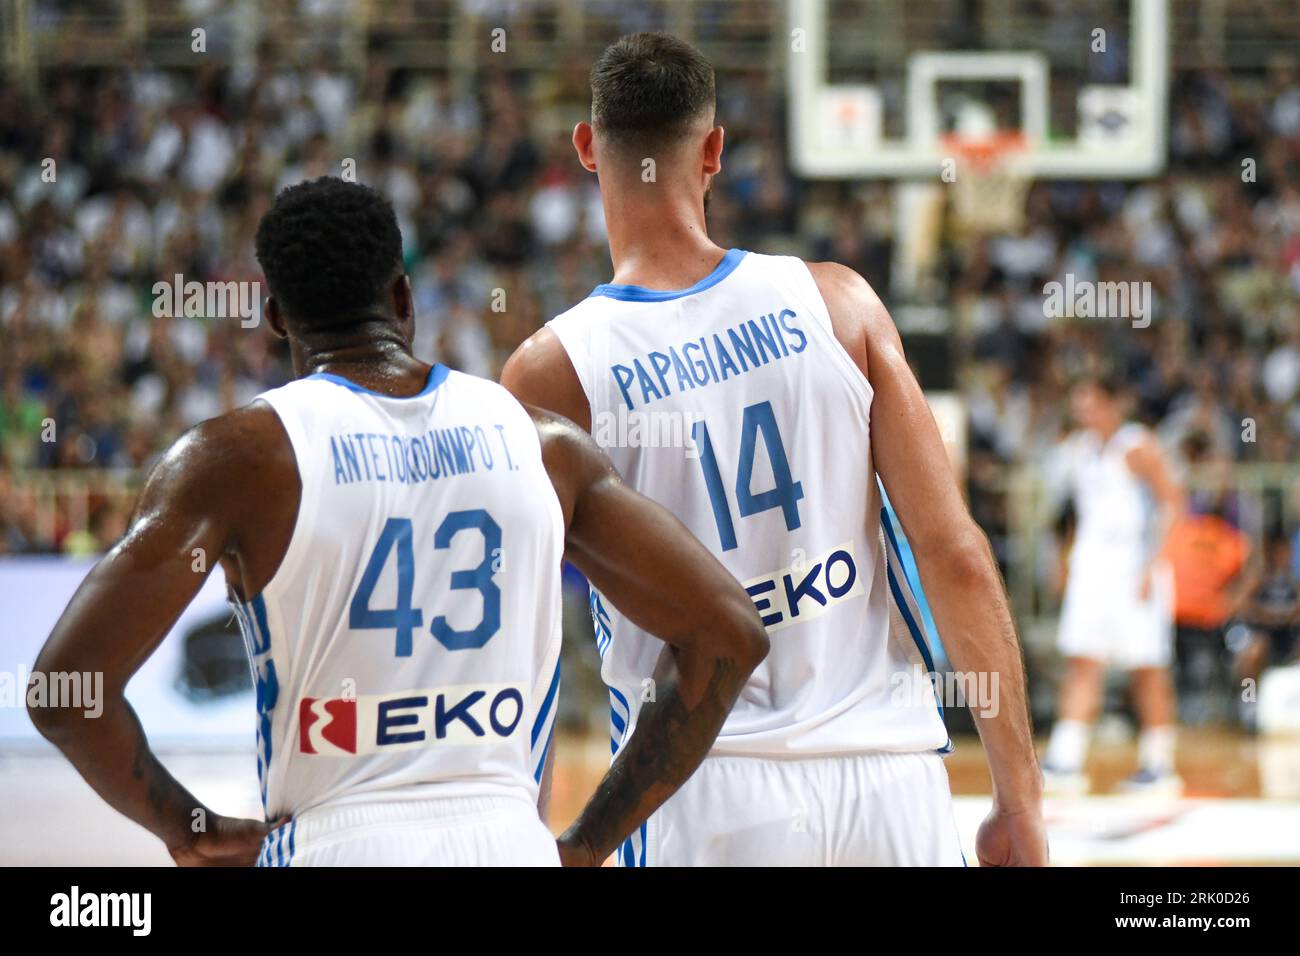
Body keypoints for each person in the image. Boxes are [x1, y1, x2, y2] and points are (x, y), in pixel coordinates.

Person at [27, 177, 768, 867]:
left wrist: (187, 827)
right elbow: (729, 632)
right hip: (510, 842)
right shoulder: (544, 445)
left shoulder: (236, 460)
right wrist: (587, 842)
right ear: (404, 298)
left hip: (333, 841)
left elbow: (66, 689)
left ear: (277, 317)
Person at [502, 32, 1046, 866]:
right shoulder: (840, 303)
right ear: (714, 151)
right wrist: (1019, 802)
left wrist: (527, 834)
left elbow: (527, 636)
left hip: (699, 787)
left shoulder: (553, 370)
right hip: (888, 779)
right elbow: (957, 557)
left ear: (585, 146)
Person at [1043, 376, 1185, 795]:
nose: (1083, 412)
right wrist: (1065, 562)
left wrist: (1153, 563)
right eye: (1079, 405)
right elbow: (1073, 516)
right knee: (1082, 659)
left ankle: (1158, 764)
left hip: (1133, 565)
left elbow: (1173, 502)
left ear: (1112, 404)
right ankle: (1065, 760)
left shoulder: (1136, 445)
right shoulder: (1080, 451)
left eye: (1090, 404)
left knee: (1147, 666)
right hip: (1092, 565)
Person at [1234, 532, 1300, 731]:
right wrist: (1264, 614)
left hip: (1289, 634)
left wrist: (1289, 615)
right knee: (1251, 655)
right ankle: (1248, 701)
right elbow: (1240, 604)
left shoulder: (1293, 579)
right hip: (1264, 633)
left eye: (1285, 551)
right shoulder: (1260, 577)